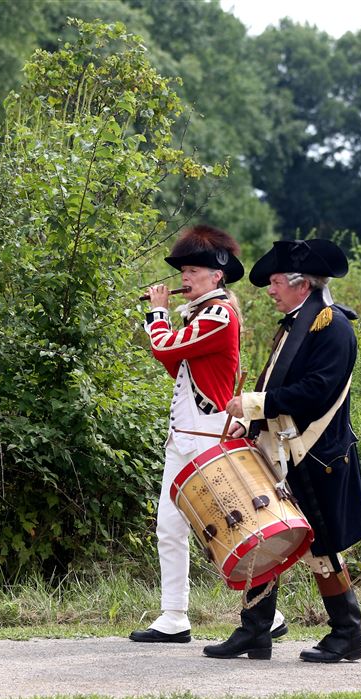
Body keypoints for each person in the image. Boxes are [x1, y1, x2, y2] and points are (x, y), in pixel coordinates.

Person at [204, 239, 361, 662]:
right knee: (261, 537)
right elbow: (276, 384)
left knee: (322, 548)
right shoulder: (297, 322)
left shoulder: (332, 327)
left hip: (315, 456)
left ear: (301, 285)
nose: (270, 290)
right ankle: (256, 632)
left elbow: (316, 392)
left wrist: (256, 404)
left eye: (276, 282)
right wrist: (250, 418)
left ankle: (347, 634)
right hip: (281, 450)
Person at [130, 225, 287, 644]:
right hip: (182, 437)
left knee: (236, 528)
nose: (185, 278)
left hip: (209, 437)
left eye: (194, 271)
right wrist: (166, 324)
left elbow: (164, 348)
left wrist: (157, 314)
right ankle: (174, 615)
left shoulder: (220, 314)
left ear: (217, 275)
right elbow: (174, 363)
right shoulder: (200, 315)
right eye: (184, 270)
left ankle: (267, 617)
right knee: (168, 526)